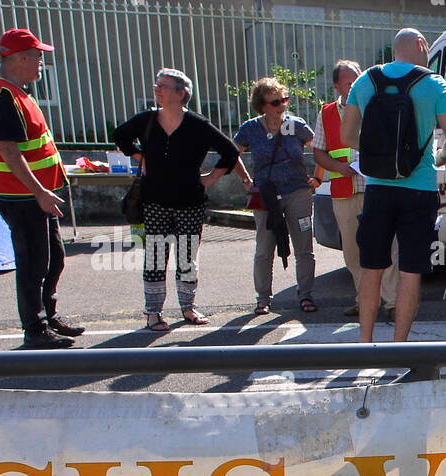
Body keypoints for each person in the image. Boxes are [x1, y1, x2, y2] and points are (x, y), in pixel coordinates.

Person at [341, 28, 446, 342]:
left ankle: (365, 344)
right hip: (419, 190)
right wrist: (435, 158)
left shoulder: (364, 81)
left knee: (372, 269)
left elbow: (346, 137)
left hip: (378, 189)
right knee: (410, 271)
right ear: (421, 46)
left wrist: (376, 156)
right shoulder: (434, 83)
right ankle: (399, 346)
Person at [113, 68, 239, 330]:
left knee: (187, 257)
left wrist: (210, 178)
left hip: (190, 201)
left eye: (164, 86)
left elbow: (229, 151)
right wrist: (140, 157)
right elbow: (120, 136)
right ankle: (153, 312)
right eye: (156, 85)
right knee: (156, 255)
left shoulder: (197, 124)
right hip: (155, 199)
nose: (157, 89)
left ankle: (188, 307)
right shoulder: (147, 120)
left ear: (181, 93)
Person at [0, 28, 80, 348]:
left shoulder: (15, 90)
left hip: (33, 193)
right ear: (20, 58)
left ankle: (48, 315)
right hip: (21, 194)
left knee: (54, 258)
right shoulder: (3, 95)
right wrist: (38, 191)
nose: (41, 62)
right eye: (38, 56)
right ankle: (35, 328)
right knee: (33, 260)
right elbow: (8, 151)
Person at [311, 59, 398, 322]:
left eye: (358, 79)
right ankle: (364, 302)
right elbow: (318, 151)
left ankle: (393, 303)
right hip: (345, 190)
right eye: (348, 82)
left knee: (389, 247)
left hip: (379, 188)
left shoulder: (379, 107)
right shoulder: (326, 113)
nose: (354, 85)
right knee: (353, 252)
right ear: (337, 85)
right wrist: (338, 165)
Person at [233, 77, 319, 315]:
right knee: (264, 248)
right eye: (275, 102)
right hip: (265, 195)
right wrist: (246, 181)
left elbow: (320, 148)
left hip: (298, 192)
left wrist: (318, 177)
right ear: (262, 105)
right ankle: (263, 299)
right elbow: (231, 154)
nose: (282, 105)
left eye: (285, 100)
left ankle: (306, 295)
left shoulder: (296, 125)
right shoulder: (250, 128)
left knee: (304, 247)